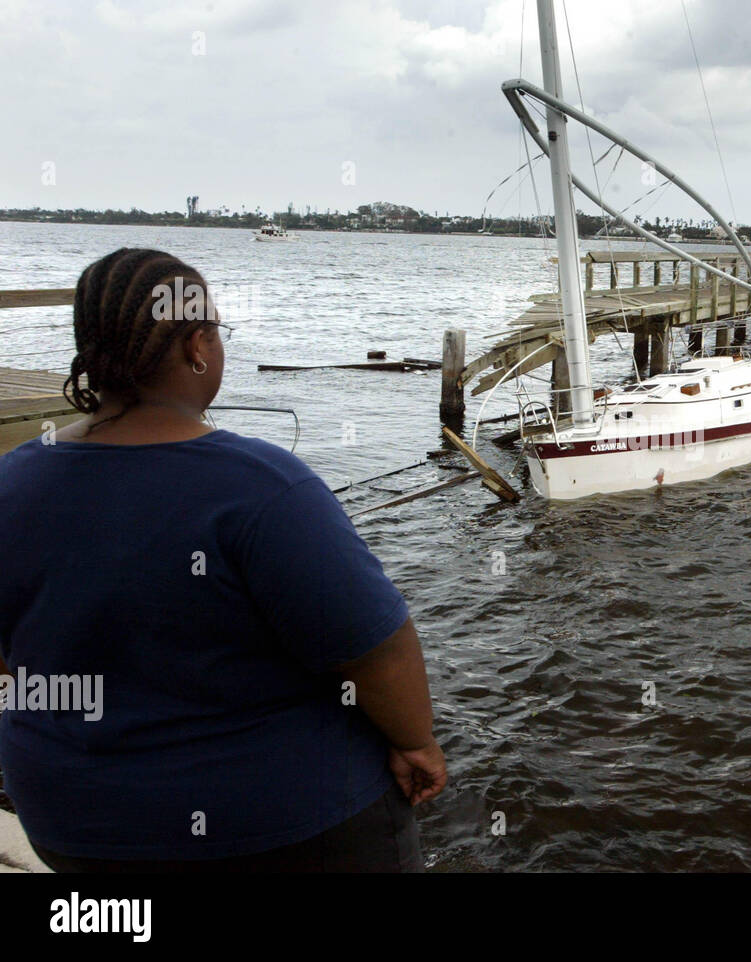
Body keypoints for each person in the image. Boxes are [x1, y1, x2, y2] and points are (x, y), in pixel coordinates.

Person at [0, 247, 447, 872]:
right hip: (277, 828)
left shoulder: (13, 479)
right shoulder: (262, 487)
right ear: (197, 346)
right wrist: (417, 743)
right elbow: (377, 651)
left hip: (72, 823)